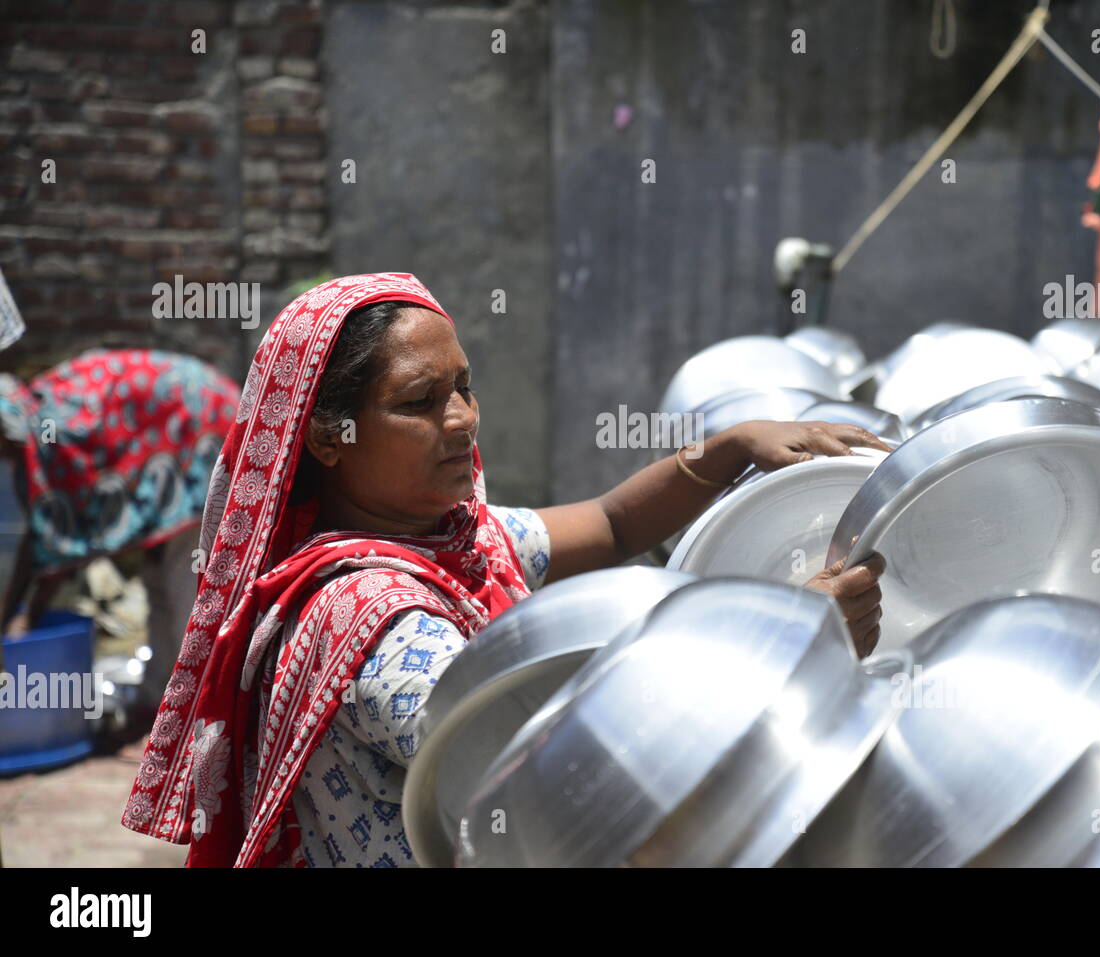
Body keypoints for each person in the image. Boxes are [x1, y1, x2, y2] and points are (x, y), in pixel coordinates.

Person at [121, 273, 888, 867]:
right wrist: (785, 635)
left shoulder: (454, 541)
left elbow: (611, 524)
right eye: (419, 401)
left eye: (463, 385)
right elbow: (578, 769)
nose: (461, 417)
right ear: (329, 436)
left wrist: (722, 450)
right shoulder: (371, 621)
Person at [0, 349, 239, 727]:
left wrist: (25, 618)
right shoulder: (37, 414)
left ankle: (193, 723)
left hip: (200, 431)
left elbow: (57, 546)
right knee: (157, 579)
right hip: (186, 422)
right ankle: (159, 705)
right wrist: (11, 614)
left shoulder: (51, 437)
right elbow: (42, 533)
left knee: (185, 585)